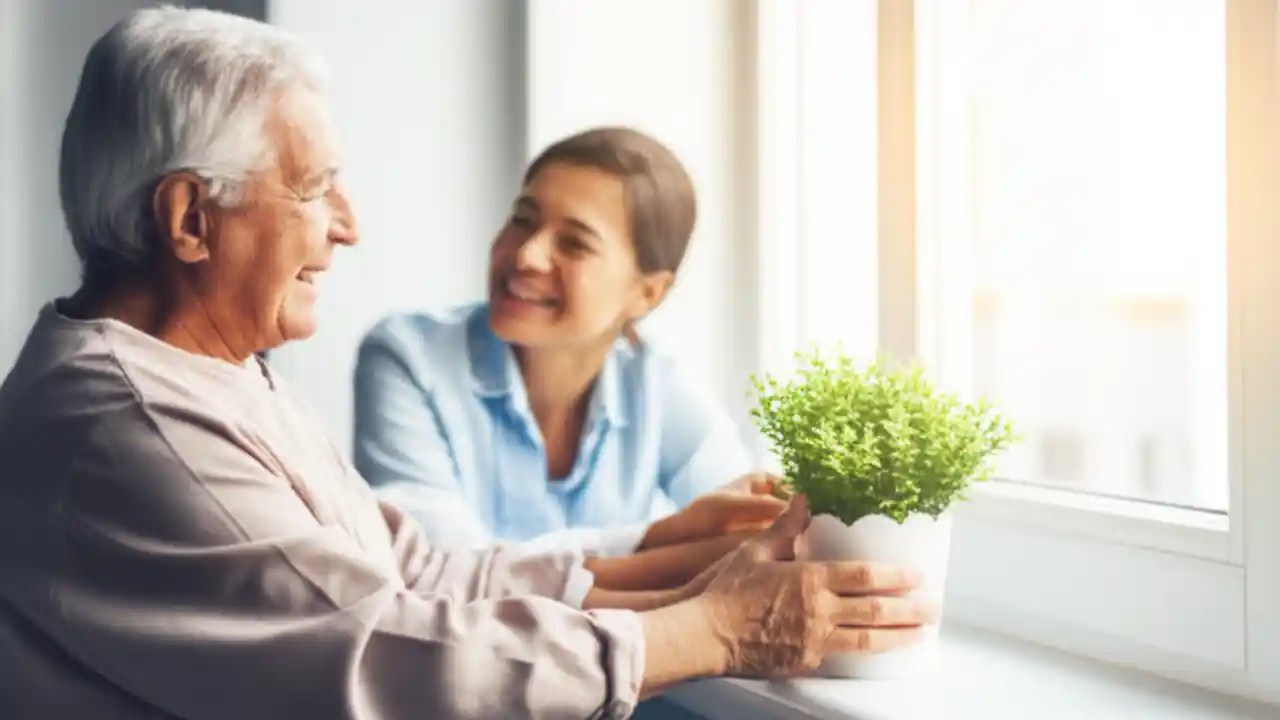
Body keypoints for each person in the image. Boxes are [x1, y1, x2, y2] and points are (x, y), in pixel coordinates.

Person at [0, 8, 931, 719]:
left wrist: (689, 577)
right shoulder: (131, 424)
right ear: (191, 219)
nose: (348, 225)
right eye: (315, 187)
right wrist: (717, 627)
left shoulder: (214, 375)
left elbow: (415, 570)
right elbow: (390, 653)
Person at [354, 128, 779, 579]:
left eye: (574, 243)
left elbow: (745, 534)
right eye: (523, 220)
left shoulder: (657, 386)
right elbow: (442, 572)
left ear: (648, 293)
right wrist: (656, 539)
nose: (527, 256)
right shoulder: (408, 357)